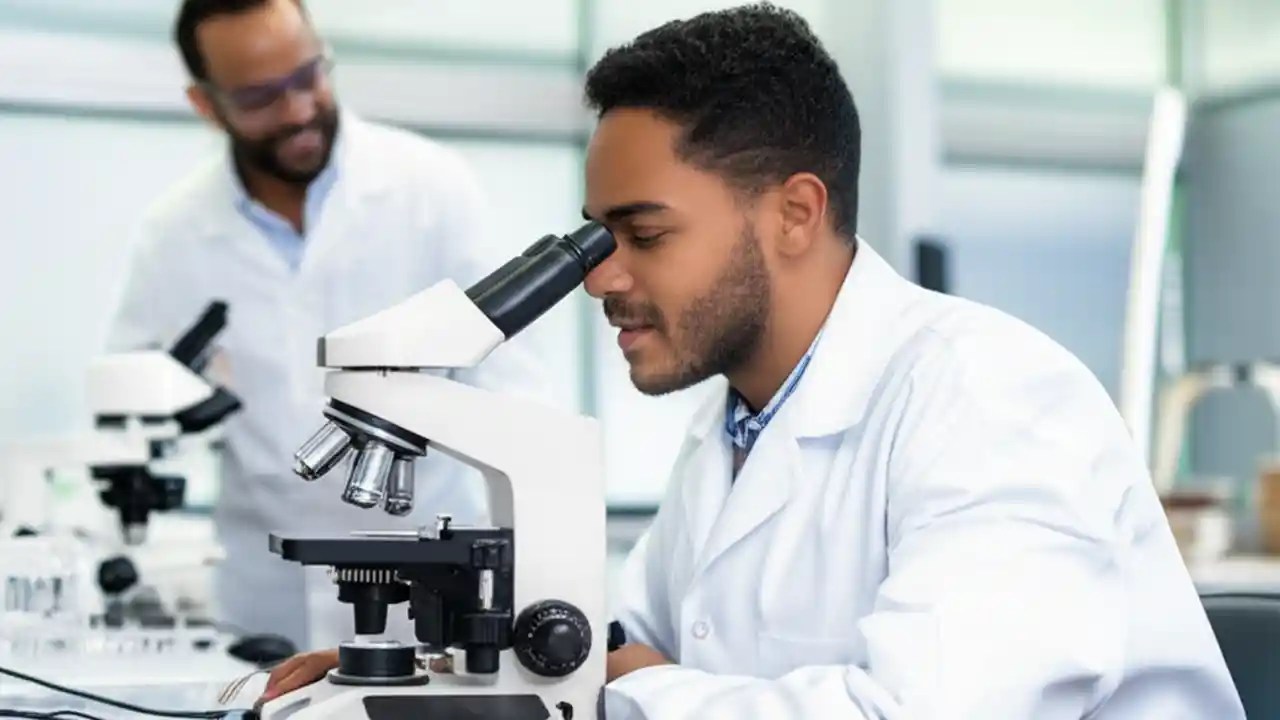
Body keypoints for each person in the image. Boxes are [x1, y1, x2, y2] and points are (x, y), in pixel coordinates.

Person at [256, 4, 1245, 718]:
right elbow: (609, 643)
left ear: (794, 213)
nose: (601, 279)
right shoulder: (731, 428)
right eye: (595, 239)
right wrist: (434, 680)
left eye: (643, 234)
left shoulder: (991, 397)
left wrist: (632, 687)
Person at [107, 0, 548, 651]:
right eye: (259, 97)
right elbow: (130, 403)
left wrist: (529, 567)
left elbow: (516, 394)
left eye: (307, 76)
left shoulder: (432, 190)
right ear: (206, 104)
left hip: (426, 563)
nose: (296, 110)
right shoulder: (172, 235)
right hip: (264, 591)